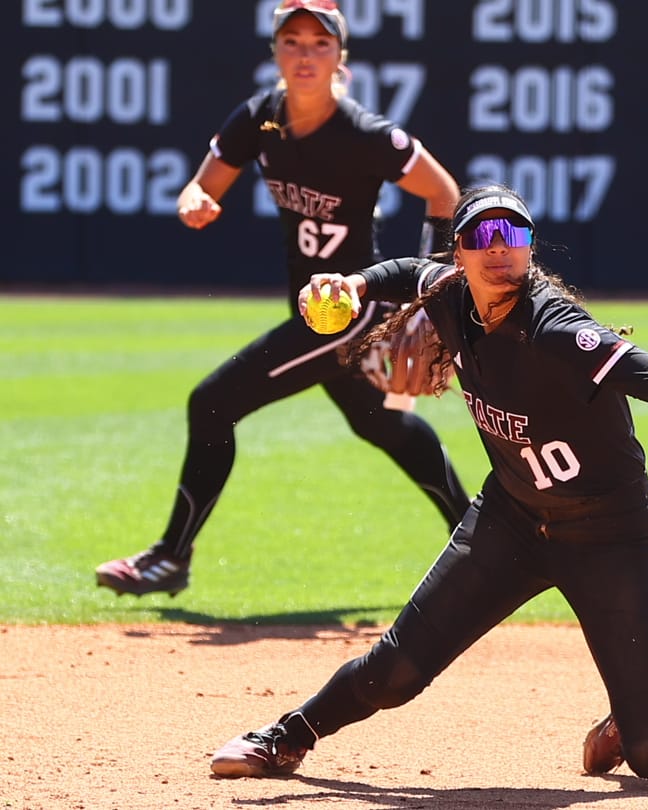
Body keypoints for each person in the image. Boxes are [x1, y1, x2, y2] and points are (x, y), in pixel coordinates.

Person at [208, 183, 648, 781]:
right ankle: (285, 738)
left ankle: (626, 717)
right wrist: (353, 284)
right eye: (483, 234)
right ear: (459, 251)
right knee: (399, 670)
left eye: (515, 234)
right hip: (509, 524)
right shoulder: (451, 298)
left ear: (531, 248)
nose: (499, 247)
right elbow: (405, 270)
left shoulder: (558, 330)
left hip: (611, 536)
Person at [95, 0, 471, 598]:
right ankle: (476, 536)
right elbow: (204, 185)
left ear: (339, 59)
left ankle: (170, 557)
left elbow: (443, 191)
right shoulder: (259, 119)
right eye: (292, 41)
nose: (305, 54)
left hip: (349, 312)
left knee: (212, 403)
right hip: (311, 308)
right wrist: (194, 199)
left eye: (320, 44)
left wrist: (428, 293)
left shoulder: (366, 134)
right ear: (275, 52)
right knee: (383, 425)